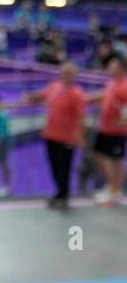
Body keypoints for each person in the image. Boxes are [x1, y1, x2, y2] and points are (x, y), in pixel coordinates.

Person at [28, 62, 86, 210]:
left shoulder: (77, 94)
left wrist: (79, 136)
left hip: (67, 138)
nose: (65, 75)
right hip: (51, 134)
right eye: (63, 72)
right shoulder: (54, 86)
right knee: (53, 164)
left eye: (68, 73)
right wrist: (31, 97)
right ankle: (59, 192)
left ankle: (63, 195)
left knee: (64, 167)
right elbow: (42, 95)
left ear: (74, 76)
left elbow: (80, 117)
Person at [90, 54, 127, 206]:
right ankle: (111, 186)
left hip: (117, 130)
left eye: (114, 67)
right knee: (98, 154)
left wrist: (123, 122)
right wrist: (84, 99)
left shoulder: (125, 86)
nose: (110, 69)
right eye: (110, 66)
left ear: (123, 69)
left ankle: (116, 192)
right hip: (104, 127)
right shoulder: (112, 83)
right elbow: (105, 96)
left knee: (116, 160)